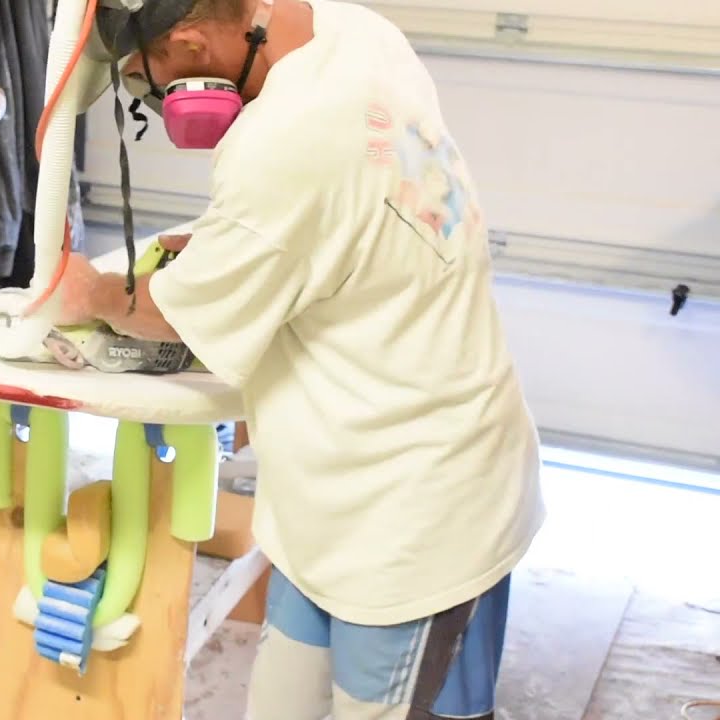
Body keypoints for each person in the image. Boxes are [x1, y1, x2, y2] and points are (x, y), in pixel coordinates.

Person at [57, 0, 546, 717]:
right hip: (325, 504)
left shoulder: (285, 141)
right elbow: (342, 217)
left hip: (412, 517)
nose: (151, 96)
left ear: (190, 44)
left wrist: (93, 293)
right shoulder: (354, 30)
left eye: (144, 76)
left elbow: (180, 312)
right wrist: (242, 255)